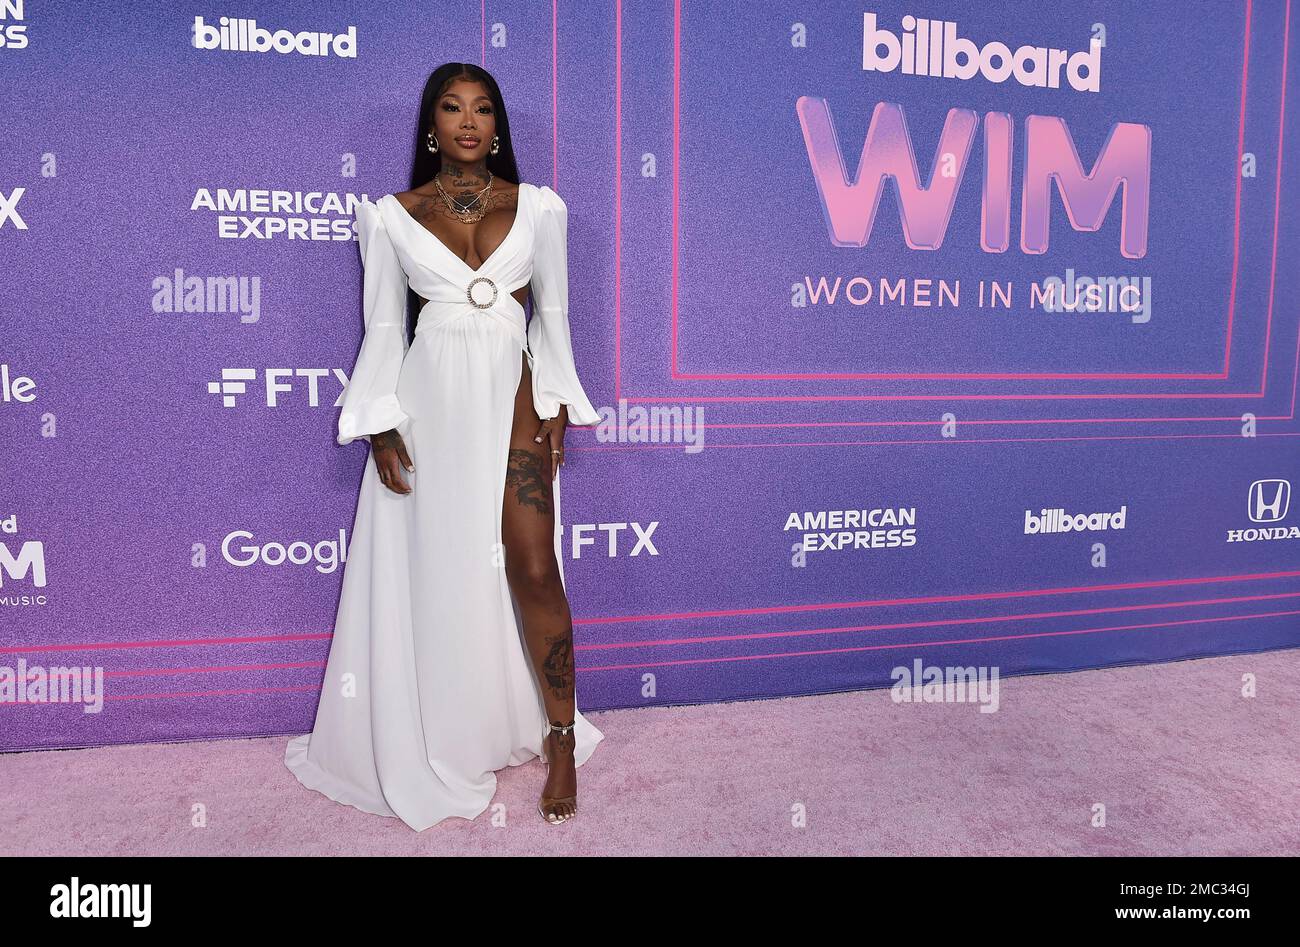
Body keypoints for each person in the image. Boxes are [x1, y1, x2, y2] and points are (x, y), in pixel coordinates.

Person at [285, 63, 604, 829]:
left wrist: (556, 396)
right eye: (452, 108)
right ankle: (452, 729)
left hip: (513, 393)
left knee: (532, 563)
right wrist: (381, 420)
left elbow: (550, 313)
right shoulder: (392, 216)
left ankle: (559, 733)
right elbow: (387, 328)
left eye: (484, 108)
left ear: (498, 126)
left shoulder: (539, 208)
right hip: (428, 402)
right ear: (431, 126)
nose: (469, 120)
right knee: (441, 573)